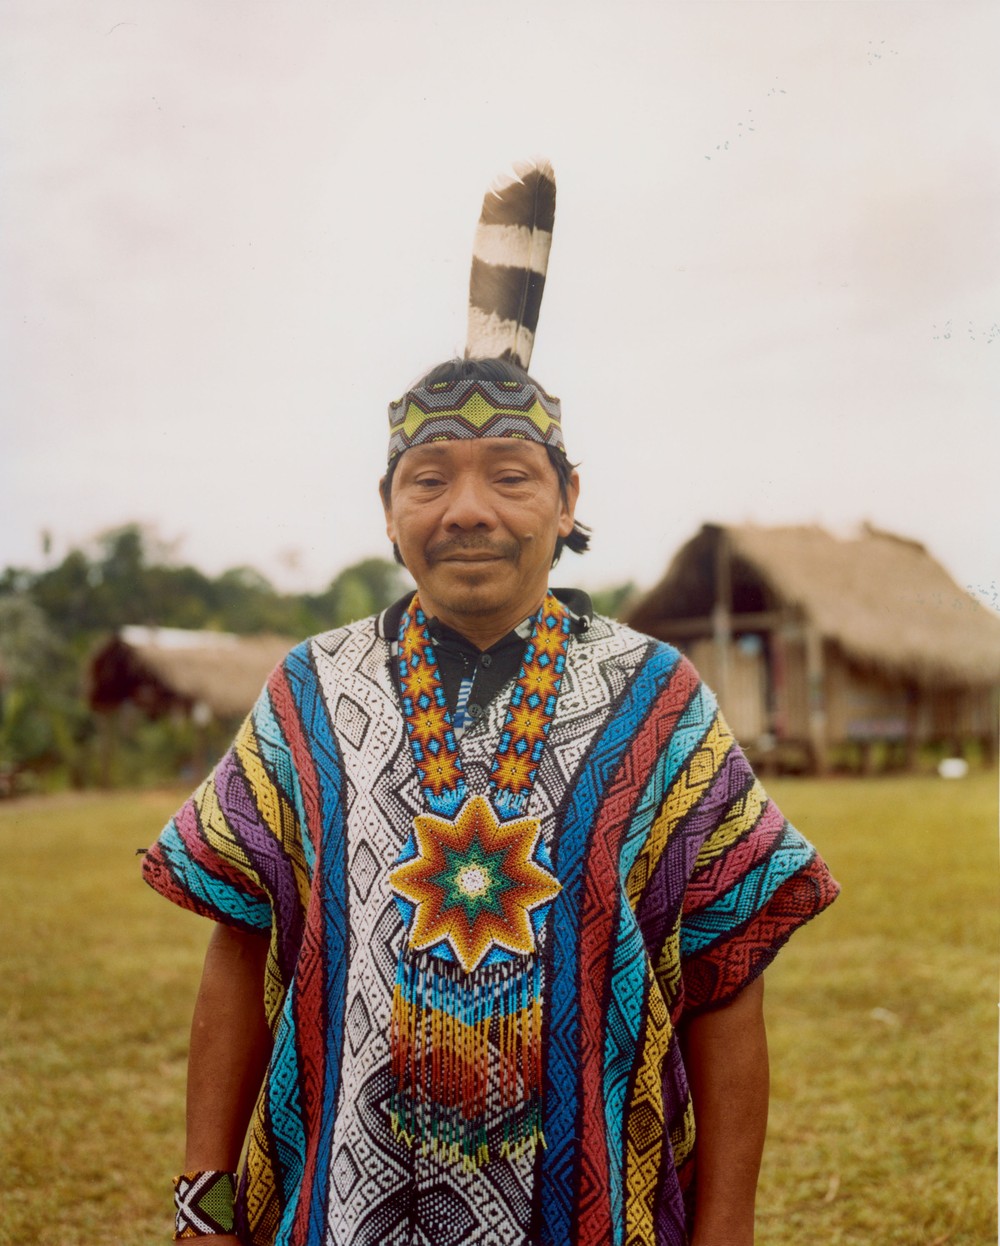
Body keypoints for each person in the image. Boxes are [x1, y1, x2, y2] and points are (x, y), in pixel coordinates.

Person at [142, 164, 839, 1246]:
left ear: (567, 502)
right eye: (429, 478)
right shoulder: (310, 693)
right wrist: (202, 1198)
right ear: (388, 511)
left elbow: (723, 978)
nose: (467, 509)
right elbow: (241, 943)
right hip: (341, 1210)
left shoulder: (657, 701)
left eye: (511, 475)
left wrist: (726, 1231)